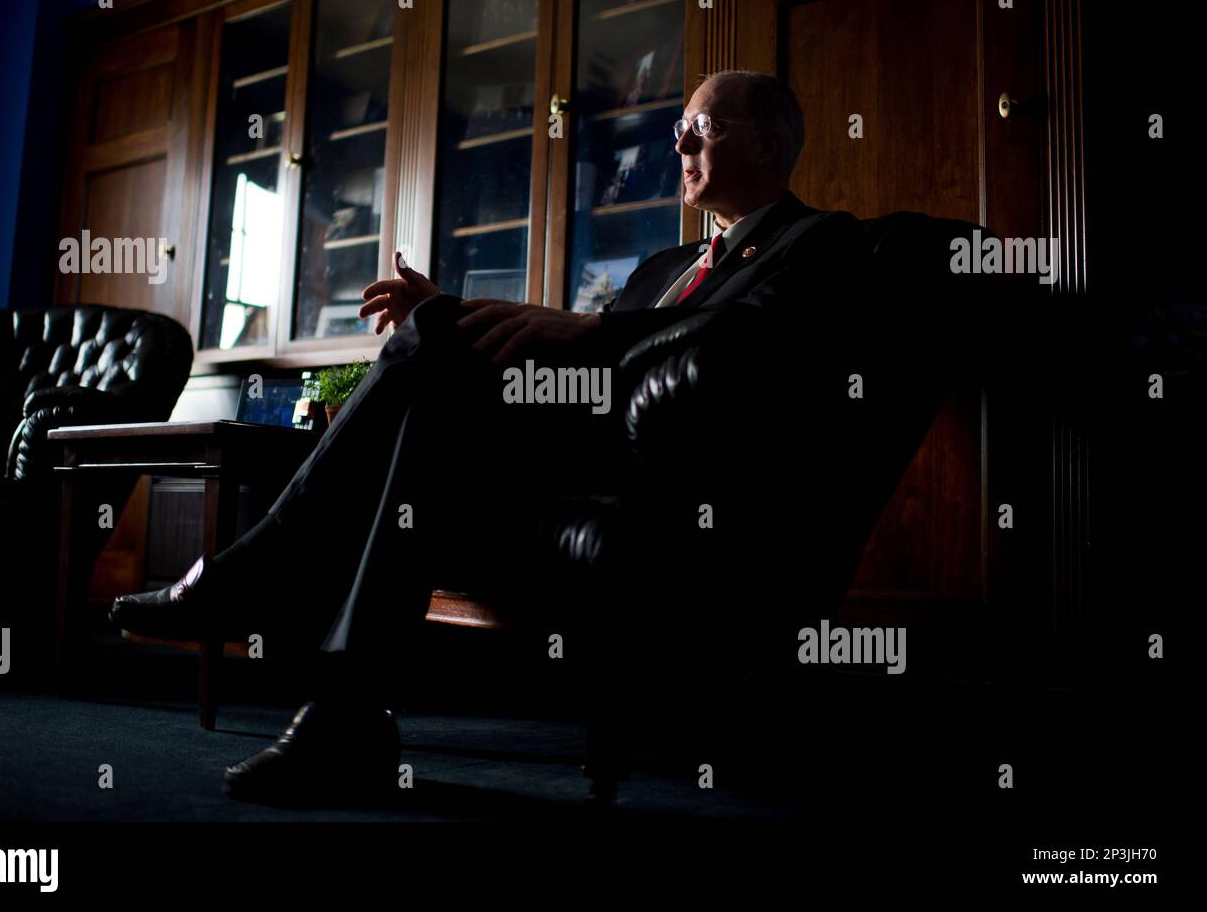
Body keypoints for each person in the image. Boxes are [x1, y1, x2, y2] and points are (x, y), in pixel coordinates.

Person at [108, 69, 872, 804]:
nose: (678, 148)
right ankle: (346, 718)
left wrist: (579, 325)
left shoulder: (819, 241)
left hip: (664, 467)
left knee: (435, 353)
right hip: (556, 436)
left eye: (698, 129)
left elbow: (749, 333)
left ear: (768, 145)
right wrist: (457, 319)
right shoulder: (662, 265)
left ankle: (255, 579)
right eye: (675, 131)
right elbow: (568, 343)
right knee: (434, 379)